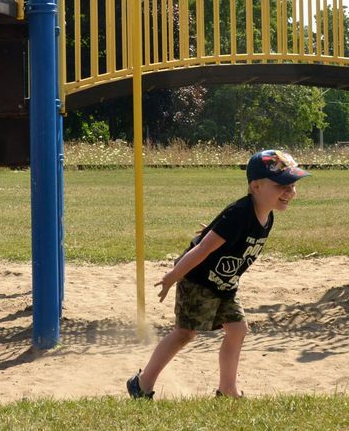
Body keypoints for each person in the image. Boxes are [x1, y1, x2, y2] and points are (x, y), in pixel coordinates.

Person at [126, 149, 308, 400]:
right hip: (198, 280)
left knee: (237, 329)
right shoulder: (240, 214)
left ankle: (227, 389)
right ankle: (142, 383)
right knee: (184, 334)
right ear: (255, 186)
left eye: (293, 185)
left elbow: (221, 237)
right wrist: (172, 276)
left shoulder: (267, 216)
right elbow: (202, 249)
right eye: (281, 185)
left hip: (225, 285)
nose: (290, 192)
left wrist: (213, 230)